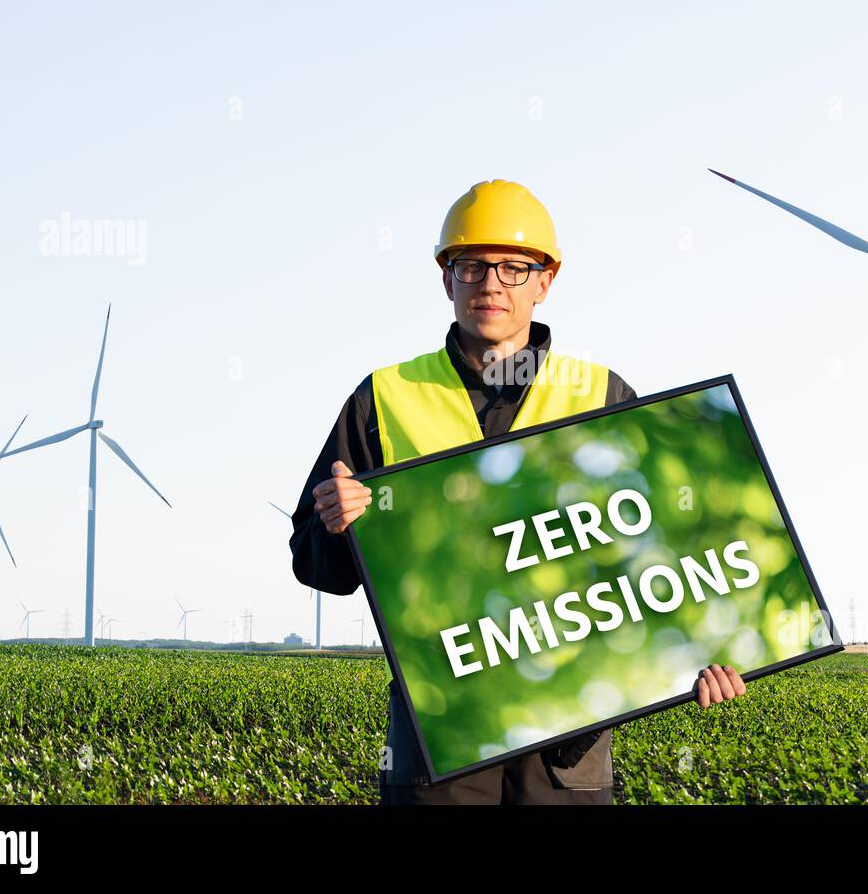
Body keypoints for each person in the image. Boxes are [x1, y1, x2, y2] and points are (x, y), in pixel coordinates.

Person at [290, 178, 749, 805]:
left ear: (545, 281)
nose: (491, 284)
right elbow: (317, 566)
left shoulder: (604, 395)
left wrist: (708, 649)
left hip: (572, 744)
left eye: (514, 267)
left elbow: (669, 552)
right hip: (436, 742)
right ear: (445, 277)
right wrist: (335, 524)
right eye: (472, 265)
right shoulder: (383, 397)